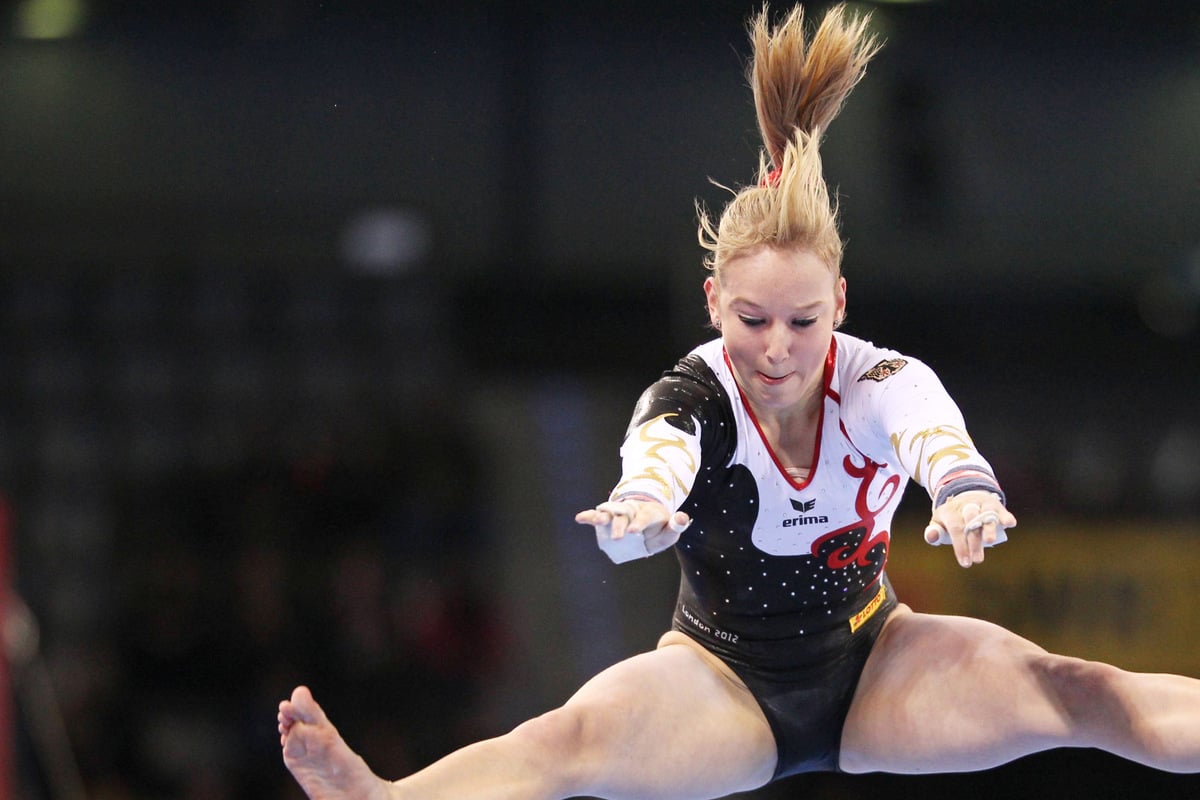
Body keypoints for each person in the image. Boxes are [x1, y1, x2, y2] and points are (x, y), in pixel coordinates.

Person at [276, 5, 1200, 798]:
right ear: (716, 303)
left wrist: (962, 490)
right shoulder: (693, 395)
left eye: (803, 320)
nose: (778, 349)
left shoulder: (877, 380)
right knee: (566, 743)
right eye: (752, 319)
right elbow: (662, 458)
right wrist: (643, 504)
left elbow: (931, 434)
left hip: (878, 663)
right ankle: (381, 794)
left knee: (1072, 688)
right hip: (722, 681)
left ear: (839, 305)